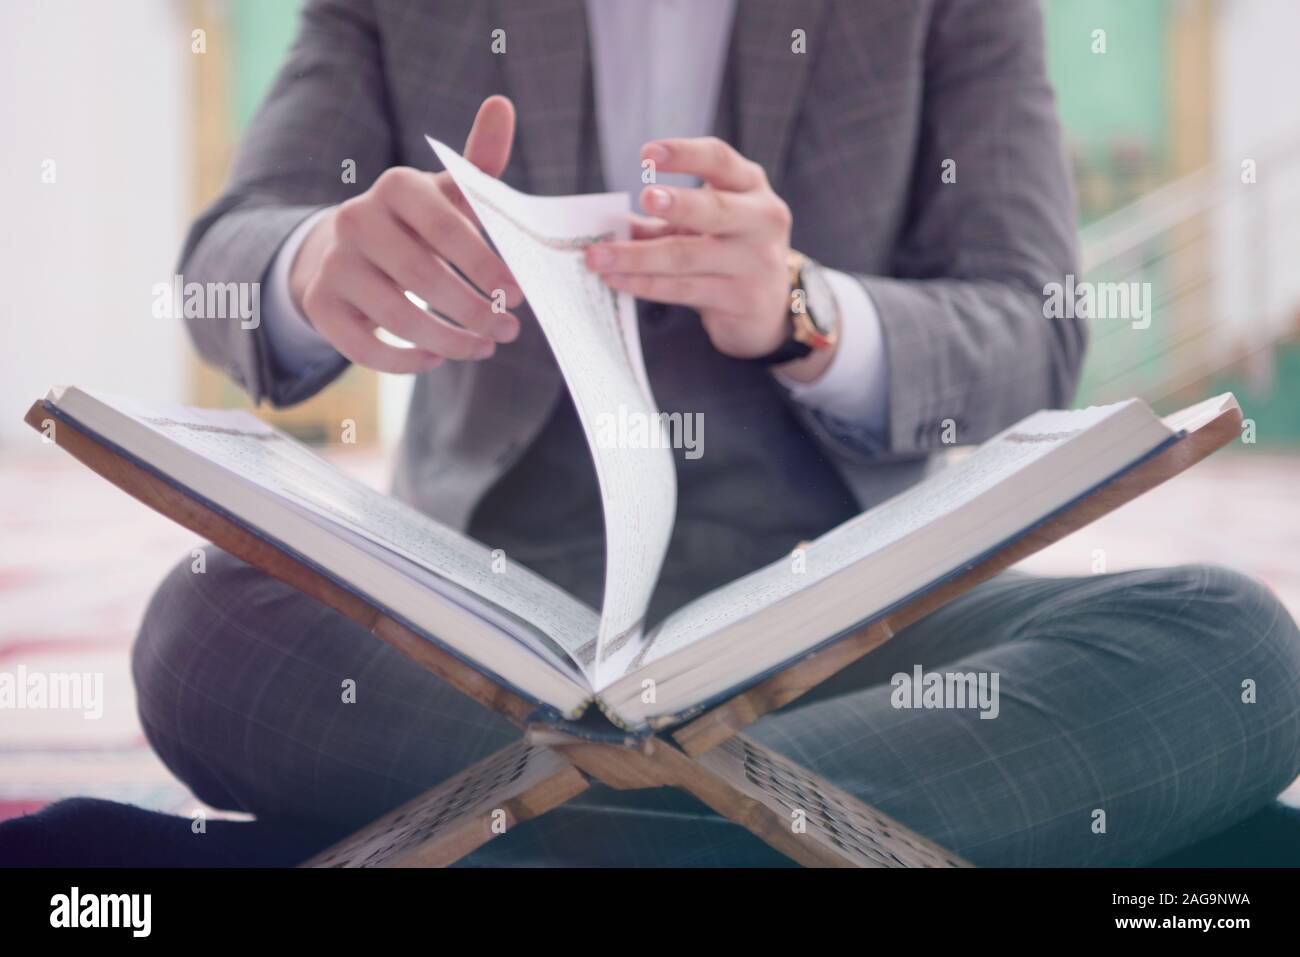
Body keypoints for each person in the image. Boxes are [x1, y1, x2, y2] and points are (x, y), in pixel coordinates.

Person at [133, 0, 1300, 866]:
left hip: (853, 629)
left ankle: (558, 833)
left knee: (1232, 646)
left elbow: (1033, 332)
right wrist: (317, 264)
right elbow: (227, 262)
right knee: (201, 617)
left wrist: (804, 307)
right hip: (485, 638)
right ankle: (780, 838)